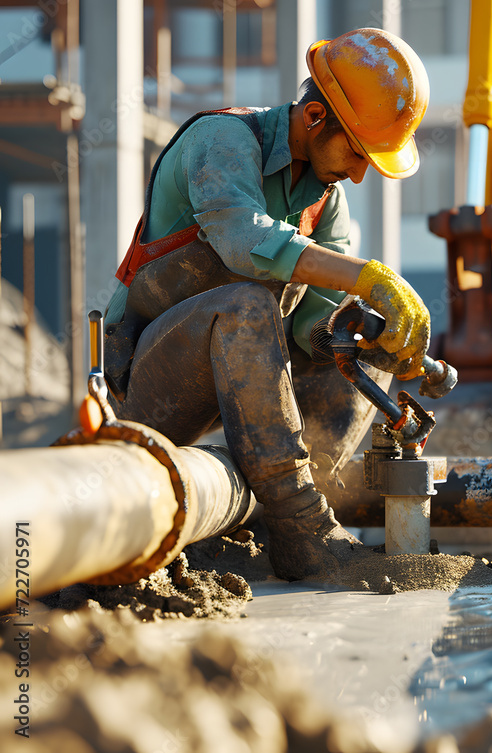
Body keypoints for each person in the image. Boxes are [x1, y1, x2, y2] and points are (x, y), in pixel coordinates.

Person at [102, 29, 432, 580]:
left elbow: (313, 326)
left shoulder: (324, 198)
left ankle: (293, 515)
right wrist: (368, 277)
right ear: (315, 117)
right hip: (150, 382)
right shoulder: (223, 139)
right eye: (357, 152)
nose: (359, 173)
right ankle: (301, 523)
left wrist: (369, 336)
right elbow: (242, 239)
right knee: (247, 305)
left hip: (245, 373)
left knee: (359, 337)